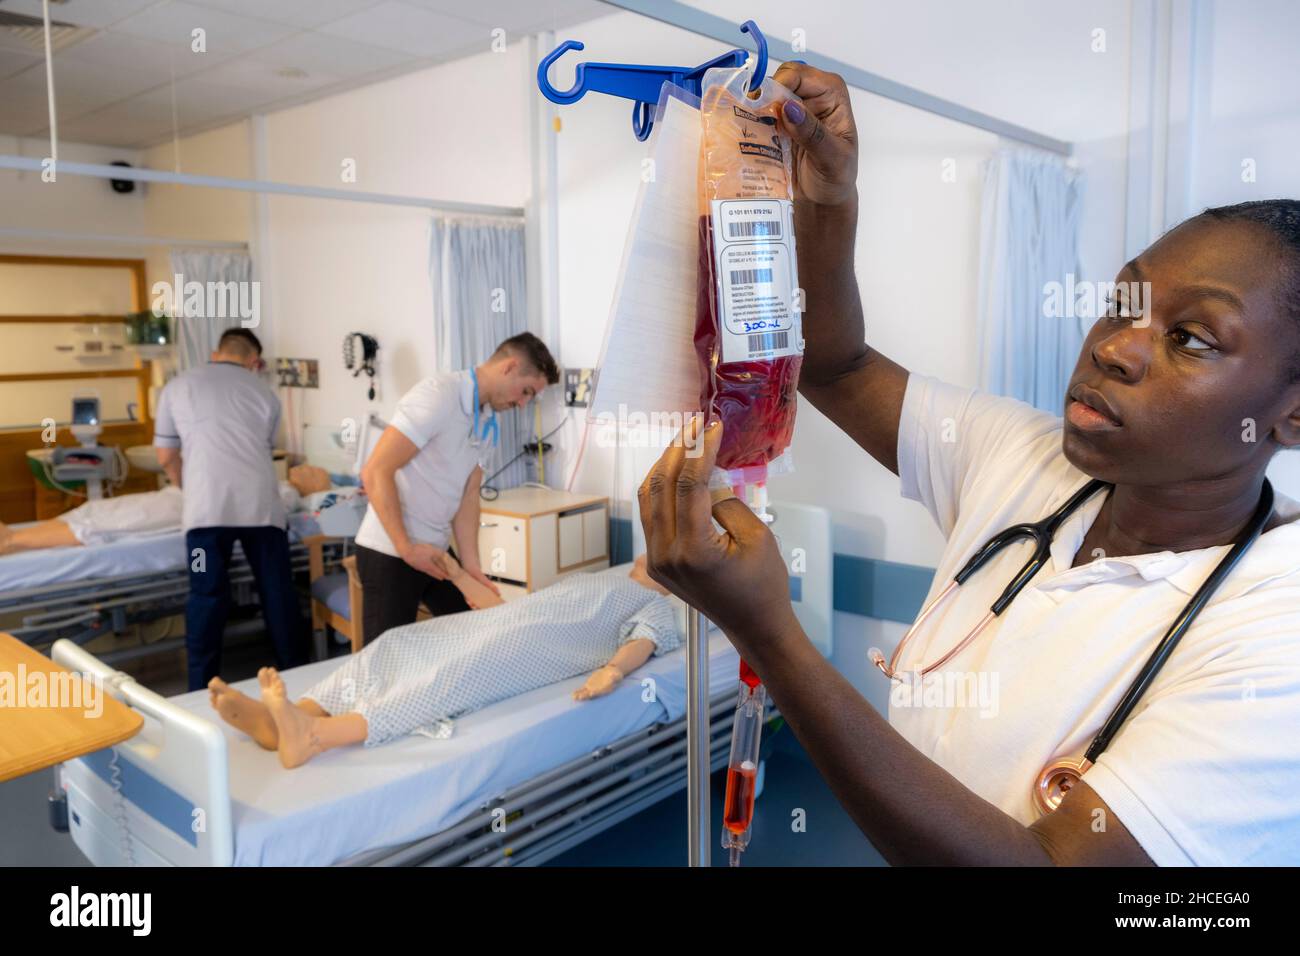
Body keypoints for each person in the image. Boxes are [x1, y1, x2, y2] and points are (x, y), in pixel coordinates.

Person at [638, 63, 1300, 866]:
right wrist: (828, 197)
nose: (1114, 346)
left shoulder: (1277, 636)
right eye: (1125, 304)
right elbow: (837, 366)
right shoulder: (1020, 458)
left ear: (1291, 415)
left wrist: (771, 637)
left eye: (1191, 338)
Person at [207, 557, 679, 768]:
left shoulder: (656, 604)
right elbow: (524, 604)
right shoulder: (598, 578)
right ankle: (290, 718)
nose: (648, 549)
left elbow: (645, 641)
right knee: (398, 643)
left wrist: (613, 671)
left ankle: (316, 736)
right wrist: (457, 574)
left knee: (444, 678)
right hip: (505, 622)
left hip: (534, 646)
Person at [354, 332, 560, 645]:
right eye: (526, 391)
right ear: (509, 367)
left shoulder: (488, 420)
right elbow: (376, 471)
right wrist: (407, 548)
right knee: (384, 664)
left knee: (470, 637)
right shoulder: (438, 396)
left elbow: (468, 495)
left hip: (435, 551)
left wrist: (472, 567)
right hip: (391, 549)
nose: (522, 404)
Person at [155, 327, 308, 691]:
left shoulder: (178, 387)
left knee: (204, 595)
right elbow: (264, 448)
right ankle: (299, 679)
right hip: (263, 512)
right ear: (254, 362)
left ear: (216, 351)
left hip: (204, 517)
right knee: (277, 592)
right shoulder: (266, 395)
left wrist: (187, 487)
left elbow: (165, 456)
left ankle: (200, 686)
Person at [0, 465, 329, 556]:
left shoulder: (288, 495)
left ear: (315, 487)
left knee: (108, 524)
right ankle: (14, 535)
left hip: (186, 512)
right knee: (100, 511)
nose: (303, 468)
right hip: (181, 498)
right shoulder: (276, 481)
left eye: (312, 471)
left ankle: (14, 541)